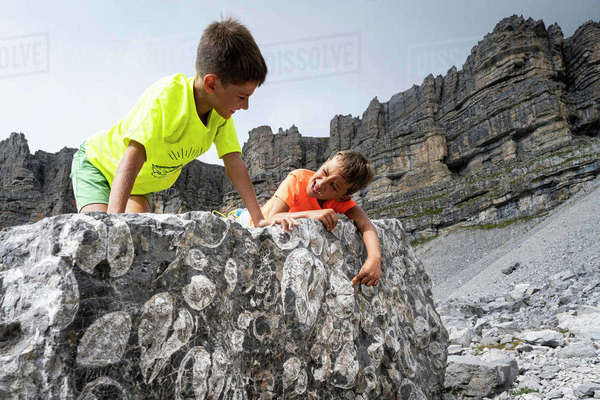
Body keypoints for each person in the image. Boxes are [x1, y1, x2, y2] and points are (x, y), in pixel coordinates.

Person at [69, 18, 276, 228]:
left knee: (136, 239)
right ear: (211, 83)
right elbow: (134, 155)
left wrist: (258, 219)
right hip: (98, 167)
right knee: (100, 232)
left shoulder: (221, 114)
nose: (246, 106)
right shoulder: (167, 97)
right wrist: (112, 222)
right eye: (241, 97)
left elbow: (234, 164)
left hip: (138, 187)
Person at [252, 150, 382, 286]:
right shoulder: (297, 179)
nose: (321, 183)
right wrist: (309, 214)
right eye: (325, 172)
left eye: (333, 186)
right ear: (326, 162)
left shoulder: (340, 201)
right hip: (251, 222)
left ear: (343, 197)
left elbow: (365, 224)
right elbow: (273, 217)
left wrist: (374, 259)